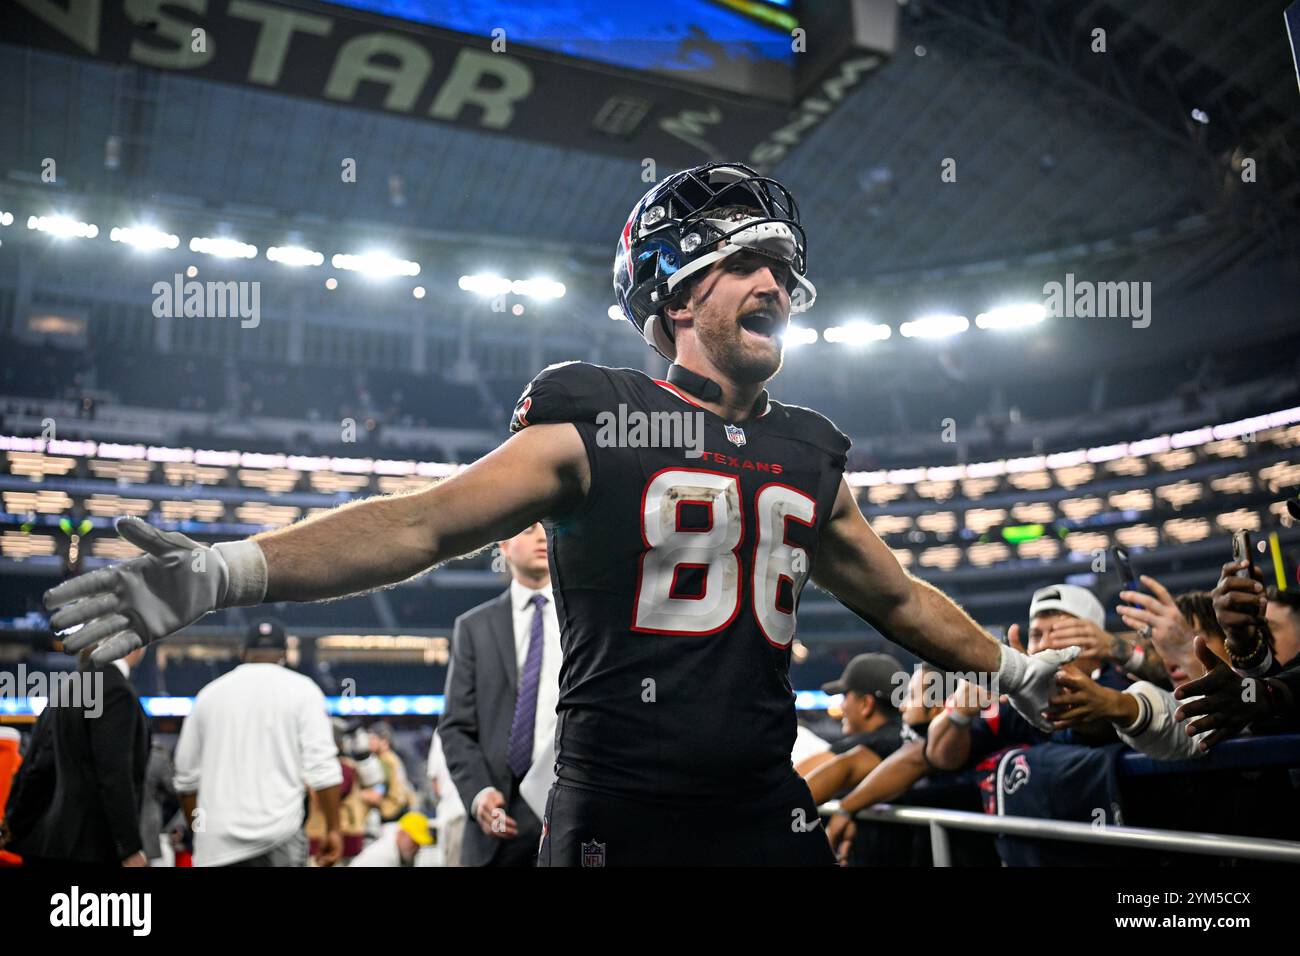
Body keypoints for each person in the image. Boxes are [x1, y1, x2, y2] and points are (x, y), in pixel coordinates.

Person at [42, 162, 1073, 867]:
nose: (778, 281)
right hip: (619, 816)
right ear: (673, 289)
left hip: (766, 810)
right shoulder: (601, 414)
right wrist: (226, 569)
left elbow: (895, 596)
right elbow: (423, 523)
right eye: (747, 261)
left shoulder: (809, 447)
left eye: (784, 268)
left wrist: (1015, 669)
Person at [172, 621, 343, 867]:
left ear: (243, 653)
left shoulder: (208, 695)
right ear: (285, 652)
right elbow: (323, 768)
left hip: (217, 843)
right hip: (279, 835)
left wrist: (200, 831)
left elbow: (186, 779)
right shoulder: (303, 690)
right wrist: (334, 829)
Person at [441, 522, 560, 867]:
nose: (540, 537)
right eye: (527, 530)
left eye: (547, 529)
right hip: (496, 815)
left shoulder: (584, 623)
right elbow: (455, 727)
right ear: (504, 546)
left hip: (564, 811)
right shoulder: (473, 627)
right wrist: (478, 794)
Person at [5, 648, 150, 866]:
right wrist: (128, 847)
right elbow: (113, 774)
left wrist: (14, 825)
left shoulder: (68, 685)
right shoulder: (114, 690)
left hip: (51, 841)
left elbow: (39, 764)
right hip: (91, 846)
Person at [796, 653, 903, 777]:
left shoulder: (868, 745)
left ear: (866, 704)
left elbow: (787, 783)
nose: (841, 706)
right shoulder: (911, 741)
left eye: (845, 696)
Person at [348, 811, 433, 867]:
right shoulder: (384, 856)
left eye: (419, 843)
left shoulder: (398, 851)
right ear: (401, 834)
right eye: (414, 841)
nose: (416, 847)